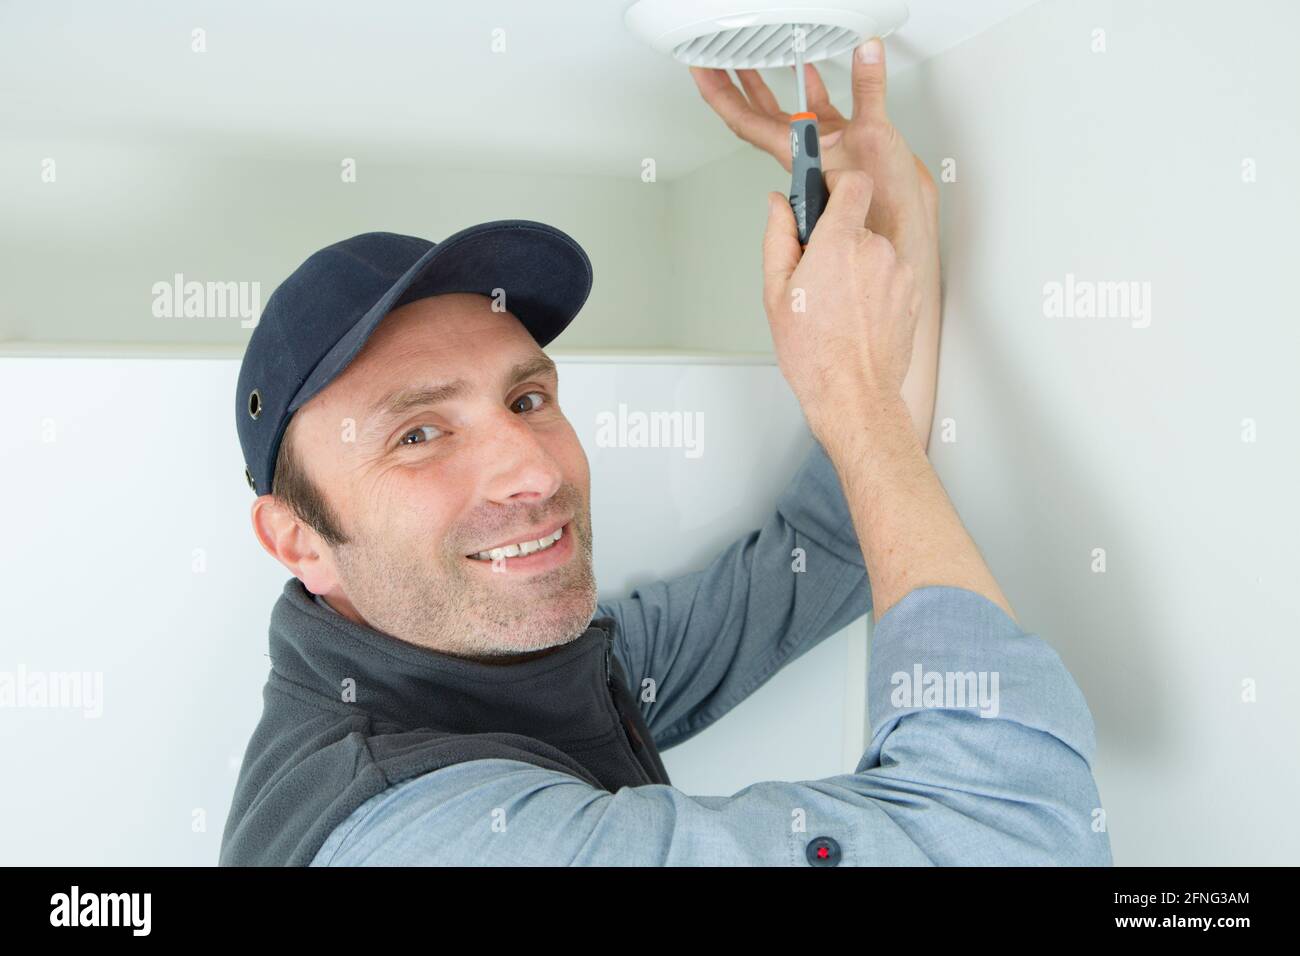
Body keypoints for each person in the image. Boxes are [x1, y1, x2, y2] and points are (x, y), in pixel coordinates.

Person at [219, 39, 1110, 866]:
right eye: (418, 435)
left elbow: (831, 548)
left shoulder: (506, 661)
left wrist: (893, 222)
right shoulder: (433, 838)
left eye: (528, 398)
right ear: (298, 539)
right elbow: (1013, 831)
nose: (533, 469)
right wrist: (858, 401)